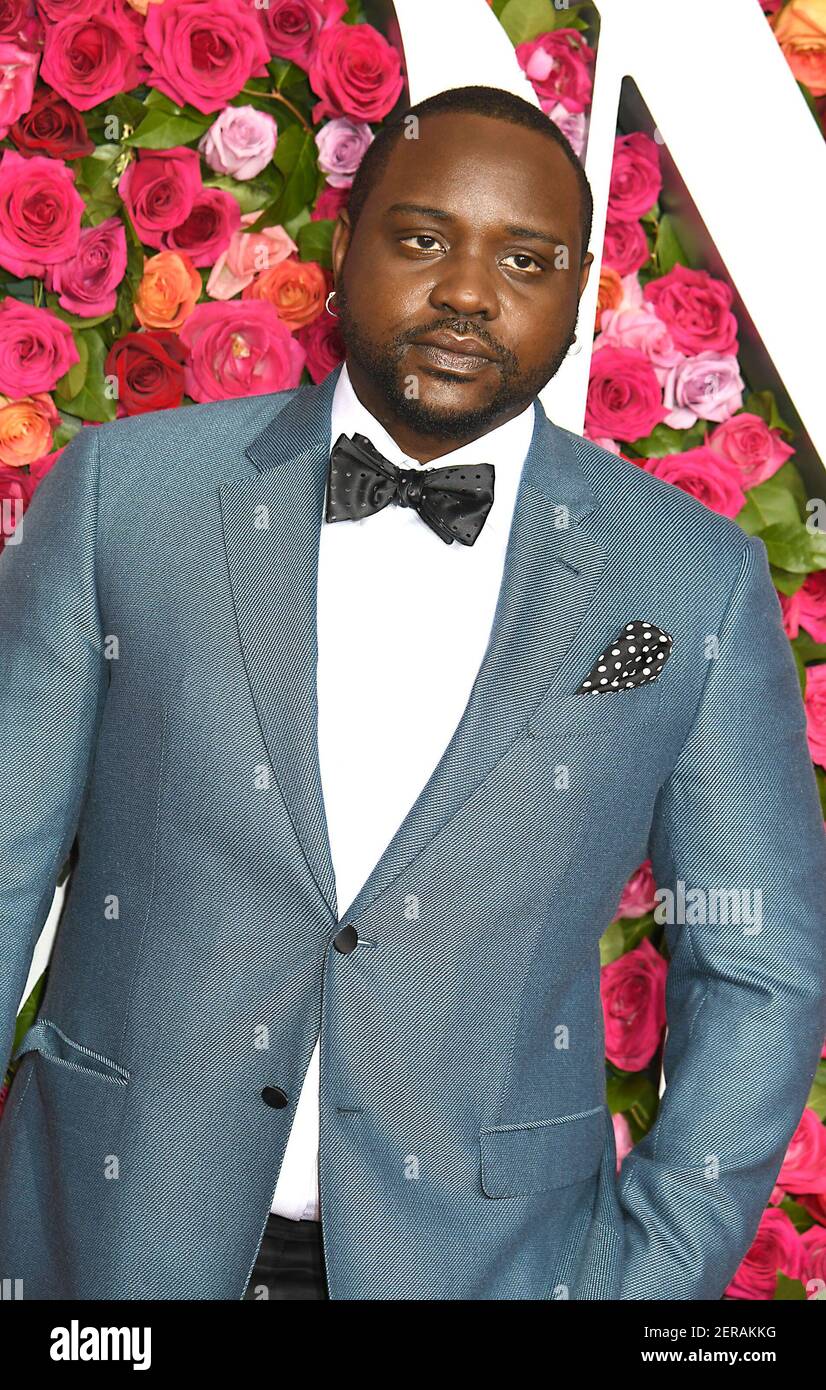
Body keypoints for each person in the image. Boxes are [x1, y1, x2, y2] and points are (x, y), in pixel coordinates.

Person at [0, 84, 824, 1302]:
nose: (468, 291)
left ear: (580, 285)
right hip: (110, 1241)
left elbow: (757, 966)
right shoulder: (129, 497)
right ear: (344, 248)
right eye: (424, 238)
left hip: (495, 1266)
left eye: (526, 258)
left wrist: (645, 1275)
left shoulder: (688, 581)